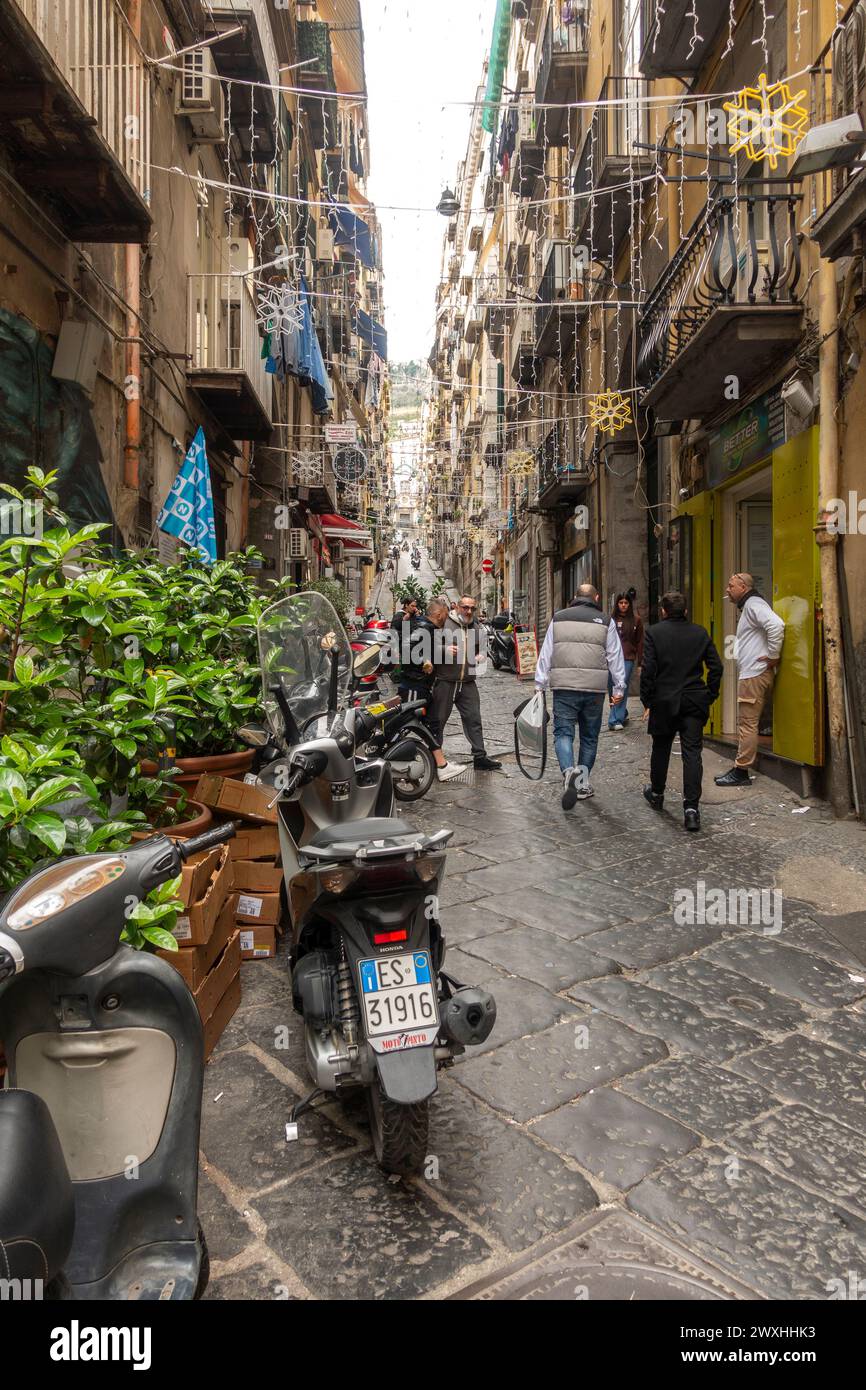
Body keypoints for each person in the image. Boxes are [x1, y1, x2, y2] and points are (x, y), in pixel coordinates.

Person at [534, 583, 626, 809]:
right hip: (594, 689)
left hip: (564, 687)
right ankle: (582, 784)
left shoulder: (559, 618)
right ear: (596, 597)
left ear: (574, 597)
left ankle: (568, 772)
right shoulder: (606, 621)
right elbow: (615, 656)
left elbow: (547, 652)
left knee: (563, 732)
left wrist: (540, 684)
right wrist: (619, 689)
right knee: (589, 737)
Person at [640, 591, 723, 832]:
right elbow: (716, 667)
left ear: (663, 611)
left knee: (661, 748)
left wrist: (648, 700)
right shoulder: (700, 633)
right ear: (685, 611)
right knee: (692, 753)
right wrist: (710, 694)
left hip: (664, 700)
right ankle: (691, 809)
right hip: (694, 700)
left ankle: (657, 793)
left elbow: (648, 670)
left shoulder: (654, 633)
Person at [714, 572, 785, 787]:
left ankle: (741, 771)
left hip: (754, 675)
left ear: (743, 587)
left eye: (731, 585)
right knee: (751, 723)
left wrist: (773, 655)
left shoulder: (754, 605)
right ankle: (741, 768)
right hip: (755, 673)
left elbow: (776, 625)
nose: (727, 590)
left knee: (747, 724)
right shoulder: (751, 606)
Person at [428, 594, 502, 772]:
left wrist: (481, 655)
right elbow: (430, 645)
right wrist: (444, 649)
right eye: (465, 607)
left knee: (474, 719)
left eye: (472, 608)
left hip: (467, 682)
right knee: (438, 721)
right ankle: (434, 759)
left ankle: (480, 757)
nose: (469, 611)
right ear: (457, 607)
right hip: (445, 681)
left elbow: (483, 649)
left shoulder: (476, 627)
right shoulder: (445, 623)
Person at [608, 592, 644, 730]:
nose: (623, 605)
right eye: (621, 602)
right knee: (612, 687)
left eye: (626, 603)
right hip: (611, 658)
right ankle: (622, 712)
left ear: (629, 604)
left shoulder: (636, 620)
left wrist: (640, 662)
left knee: (621, 686)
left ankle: (615, 720)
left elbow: (640, 642)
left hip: (627, 658)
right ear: (617, 604)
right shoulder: (610, 619)